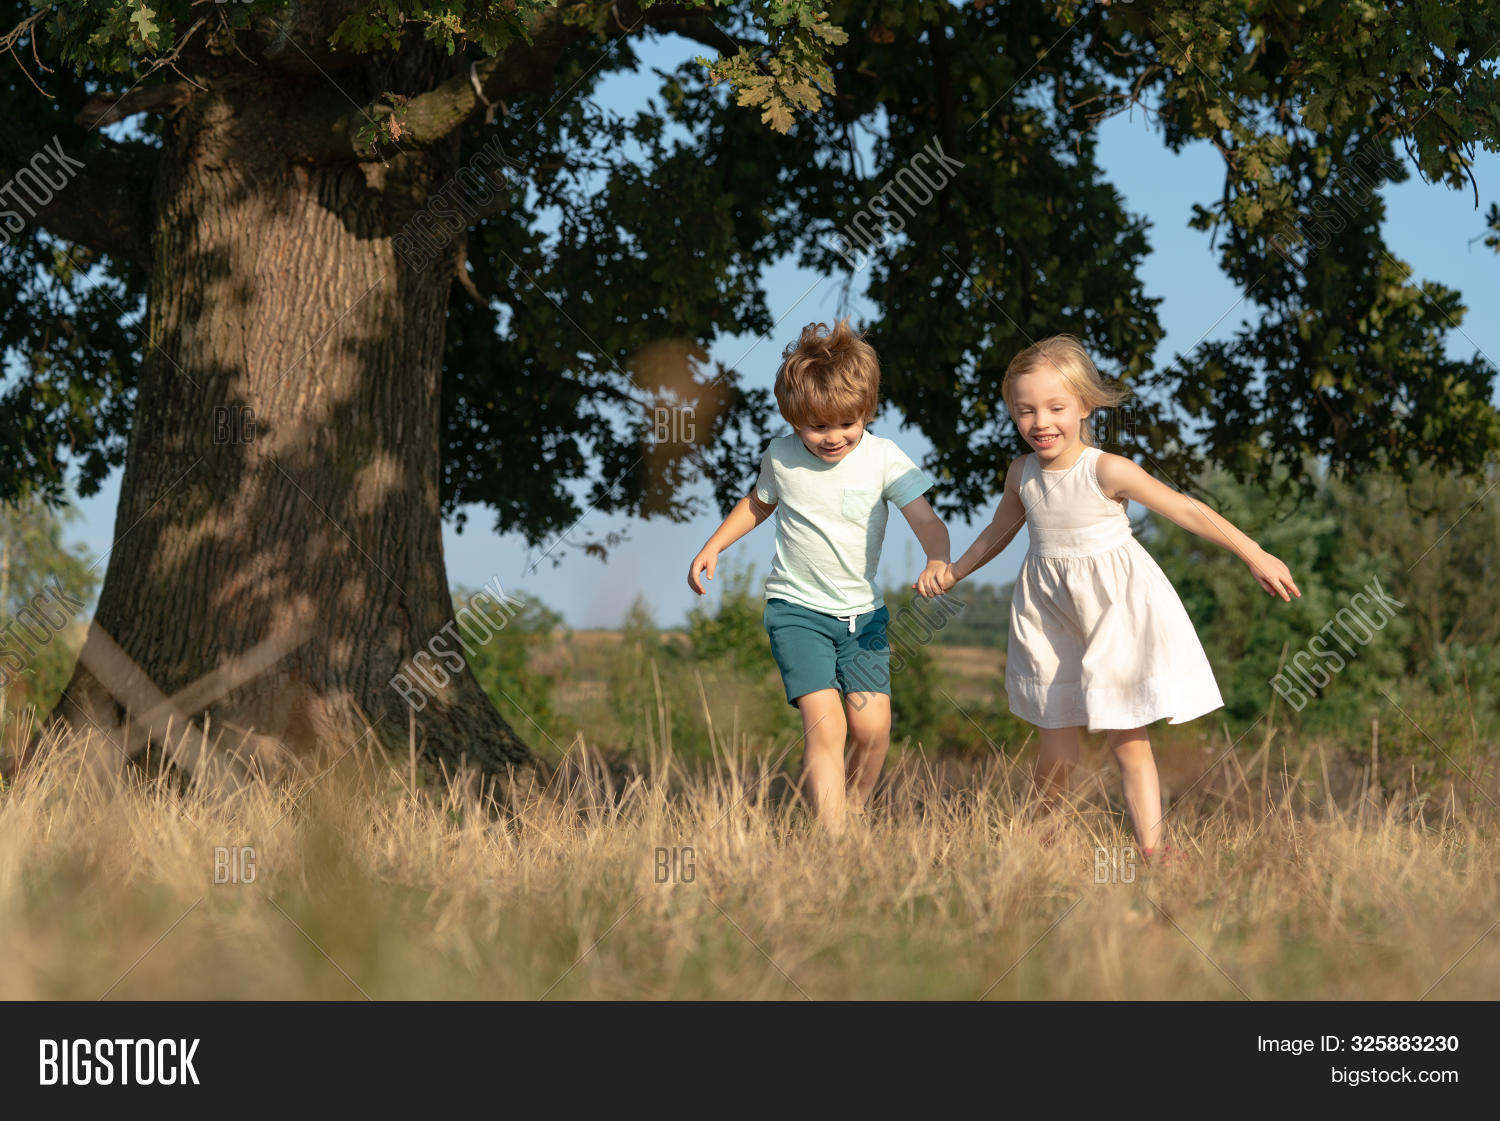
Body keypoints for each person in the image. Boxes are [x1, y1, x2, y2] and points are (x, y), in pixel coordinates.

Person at [924, 334, 1299, 857]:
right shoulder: (1022, 474)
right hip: (1048, 615)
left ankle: (1152, 850)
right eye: (1025, 410)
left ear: (1085, 405)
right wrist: (956, 571)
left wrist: (1255, 552)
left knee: (1127, 740)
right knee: (1055, 744)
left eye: (1056, 407)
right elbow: (999, 532)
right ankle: (1041, 846)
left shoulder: (1106, 469)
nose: (1041, 422)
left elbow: (1186, 509)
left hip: (1113, 616)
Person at [688, 320, 951, 833]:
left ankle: (852, 811)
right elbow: (757, 506)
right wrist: (713, 545)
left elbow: (925, 519)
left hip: (865, 618)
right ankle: (834, 841)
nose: (833, 437)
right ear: (793, 418)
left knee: (873, 729)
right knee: (825, 725)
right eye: (817, 427)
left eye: (847, 423)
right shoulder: (781, 458)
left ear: (866, 410)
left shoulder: (883, 458)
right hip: (797, 612)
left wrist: (937, 558)